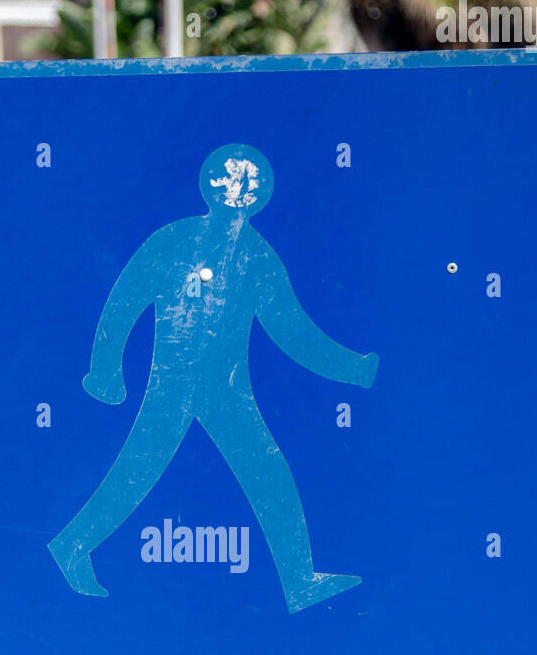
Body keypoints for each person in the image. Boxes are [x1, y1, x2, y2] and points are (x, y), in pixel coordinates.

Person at [49, 144, 379, 613]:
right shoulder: (173, 241)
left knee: (269, 472)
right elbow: (124, 301)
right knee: (134, 474)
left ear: (262, 193)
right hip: (173, 385)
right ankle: (71, 547)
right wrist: (105, 371)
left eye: (248, 183)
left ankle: (300, 581)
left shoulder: (258, 257)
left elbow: (293, 331)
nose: (237, 190)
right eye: (227, 180)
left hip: (226, 391)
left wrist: (354, 369)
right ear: (209, 184)